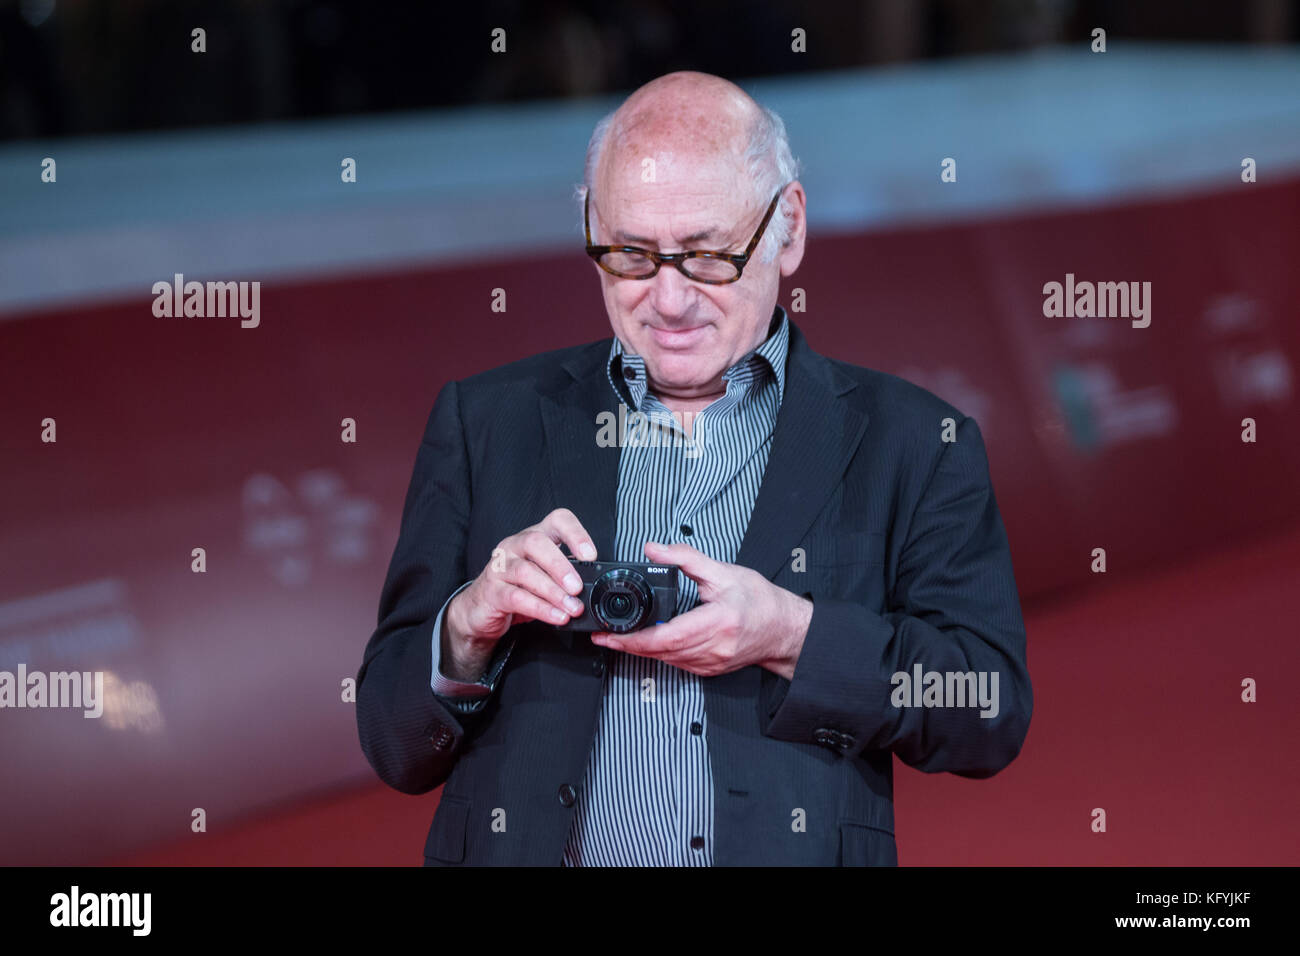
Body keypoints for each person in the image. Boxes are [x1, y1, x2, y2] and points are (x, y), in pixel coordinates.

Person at [355, 71, 1032, 866]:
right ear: (589, 226)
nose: (668, 301)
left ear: (790, 230)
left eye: (708, 255)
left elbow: (986, 710)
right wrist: (468, 628)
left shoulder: (914, 440)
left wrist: (792, 635)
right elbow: (393, 743)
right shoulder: (486, 421)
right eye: (632, 256)